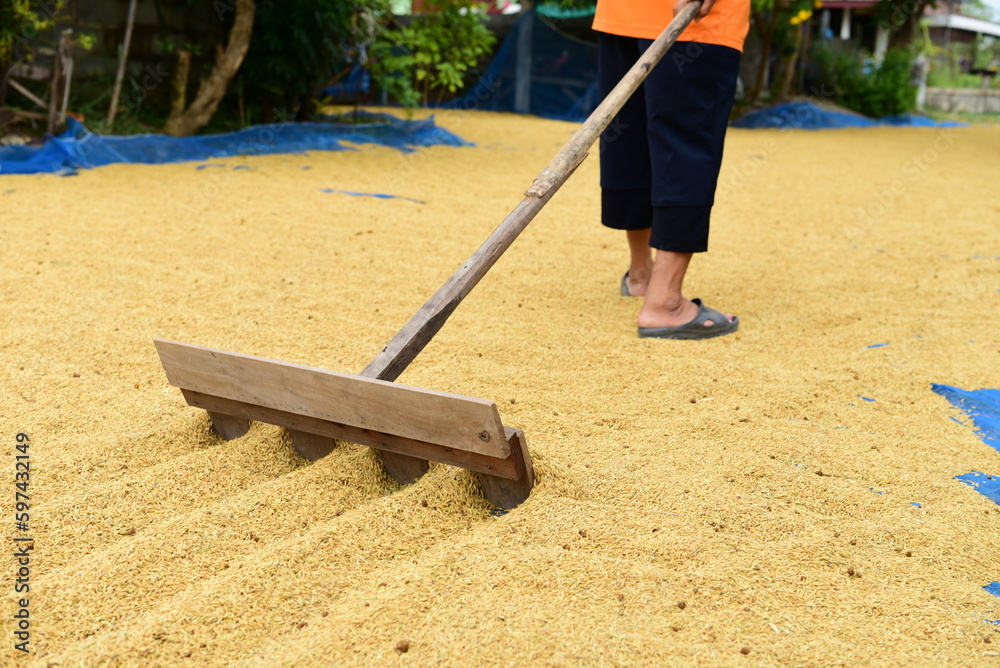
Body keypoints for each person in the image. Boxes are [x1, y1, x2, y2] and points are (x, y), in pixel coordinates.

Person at [592, 0, 751, 339]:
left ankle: (641, 275)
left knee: (628, 136)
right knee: (687, 142)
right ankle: (665, 303)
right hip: (691, 17)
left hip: (622, 14)